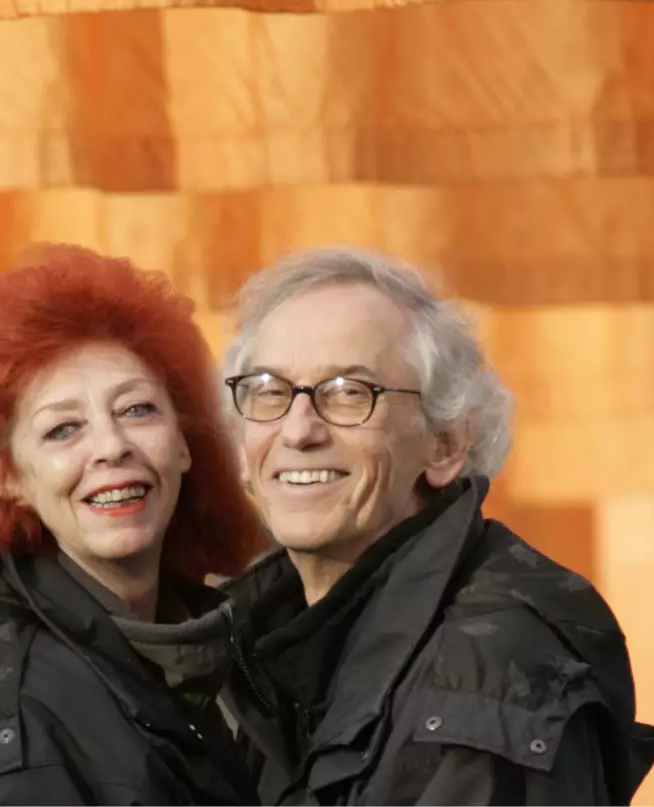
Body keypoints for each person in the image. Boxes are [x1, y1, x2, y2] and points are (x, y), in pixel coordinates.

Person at [220, 246, 654, 805]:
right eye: (271, 392)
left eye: (350, 393)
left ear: (445, 444)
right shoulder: (260, 636)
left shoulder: (486, 681)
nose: (298, 430)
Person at [0, 244, 266, 806]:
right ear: (6, 477)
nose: (111, 446)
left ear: (185, 444)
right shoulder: (7, 712)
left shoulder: (171, 643)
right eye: (62, 430)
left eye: (137, 409)